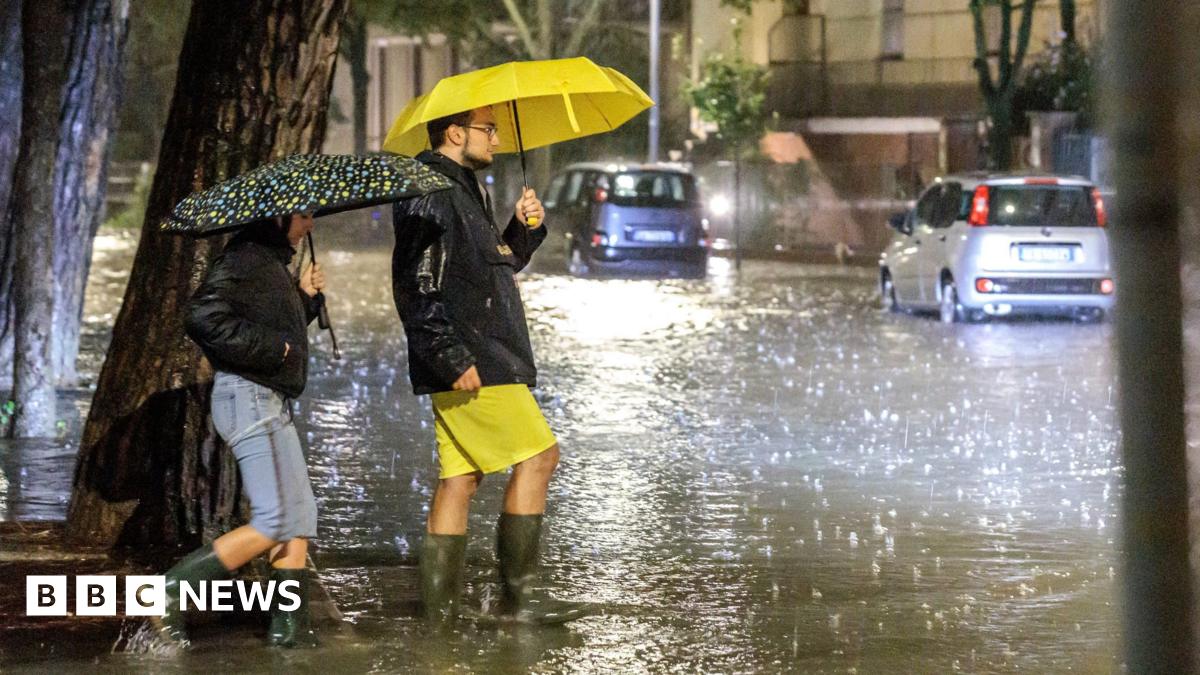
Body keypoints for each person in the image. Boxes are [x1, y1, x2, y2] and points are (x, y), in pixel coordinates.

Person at [392, 105, 592, 625]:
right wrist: (448, 354)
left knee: (460, 478)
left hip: (473, 350)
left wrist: (523, 232)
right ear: (455, 132)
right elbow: (417, 281)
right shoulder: (432, 189)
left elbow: (486, 271)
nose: (497, 139)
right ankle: (519, 602)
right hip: (474, 356)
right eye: (489, 129)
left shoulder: (461, 189)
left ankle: (440, 616)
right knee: (541, 457)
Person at [154, 212, 326, 649]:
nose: (309, 224)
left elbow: (269, 327)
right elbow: (202, 317)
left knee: (298, 517)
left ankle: (286, 639)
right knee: (276, 518)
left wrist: (303, 300)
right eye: (304, 215)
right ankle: (170, 591)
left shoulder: (268, 263)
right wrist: (275, 347)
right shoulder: (246, 258)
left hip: (268, 399)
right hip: (250, 399)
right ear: (278, 218)